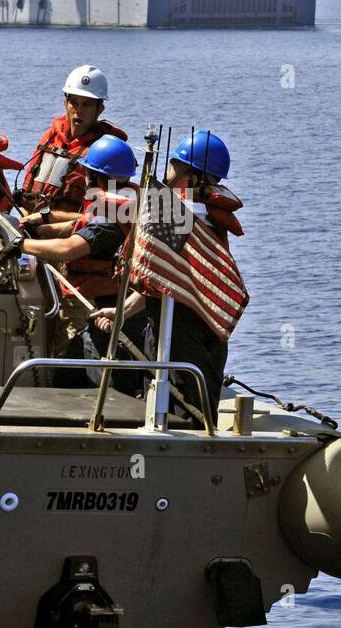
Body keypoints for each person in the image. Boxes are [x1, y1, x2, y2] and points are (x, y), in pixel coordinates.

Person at [95, 130, 244, 417]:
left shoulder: (186, 215)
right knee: (186, 404)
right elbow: (164, 282)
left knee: (187, 412)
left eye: (175, 164)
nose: (169, 169)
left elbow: (126, 207)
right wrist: (123, 311)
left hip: (183, 334)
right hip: (187, 330)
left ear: (194, 176)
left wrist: (101, 197)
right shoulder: (202, 215)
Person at [0, 135, 147, 393]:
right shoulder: (121, 204)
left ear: (97, 177)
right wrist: (44, 221)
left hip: (98, 304)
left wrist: (21, 246)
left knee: (78, 366)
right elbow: (79, 224)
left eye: (88, 173)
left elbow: (68, 250)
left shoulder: (108, 221)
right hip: (108, 300)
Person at [16, 65, 128, 229]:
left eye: (86, 105)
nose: (78, 111)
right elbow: (27, 193)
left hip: (73, 237)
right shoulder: (50, 138)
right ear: (65, 103)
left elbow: (106, 221)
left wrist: (46, 223)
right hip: (29, 229)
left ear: (100, 109)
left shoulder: (109, 152)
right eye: (74, 103)